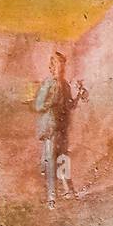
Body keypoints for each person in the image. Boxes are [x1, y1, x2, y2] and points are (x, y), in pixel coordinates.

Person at [33, 52, 87, 208]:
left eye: (63, 67)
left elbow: (70, 106)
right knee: (50, 161)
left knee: (63, 158)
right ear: (52, 67)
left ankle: (68, 190)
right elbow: (38, 105)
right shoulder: (47, 84)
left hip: (62, 127)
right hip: (50, 127)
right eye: (58, 66)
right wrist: (52, 101)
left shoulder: (66, 85)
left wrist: (78, 97)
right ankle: (51, 196)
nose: (61, 69)